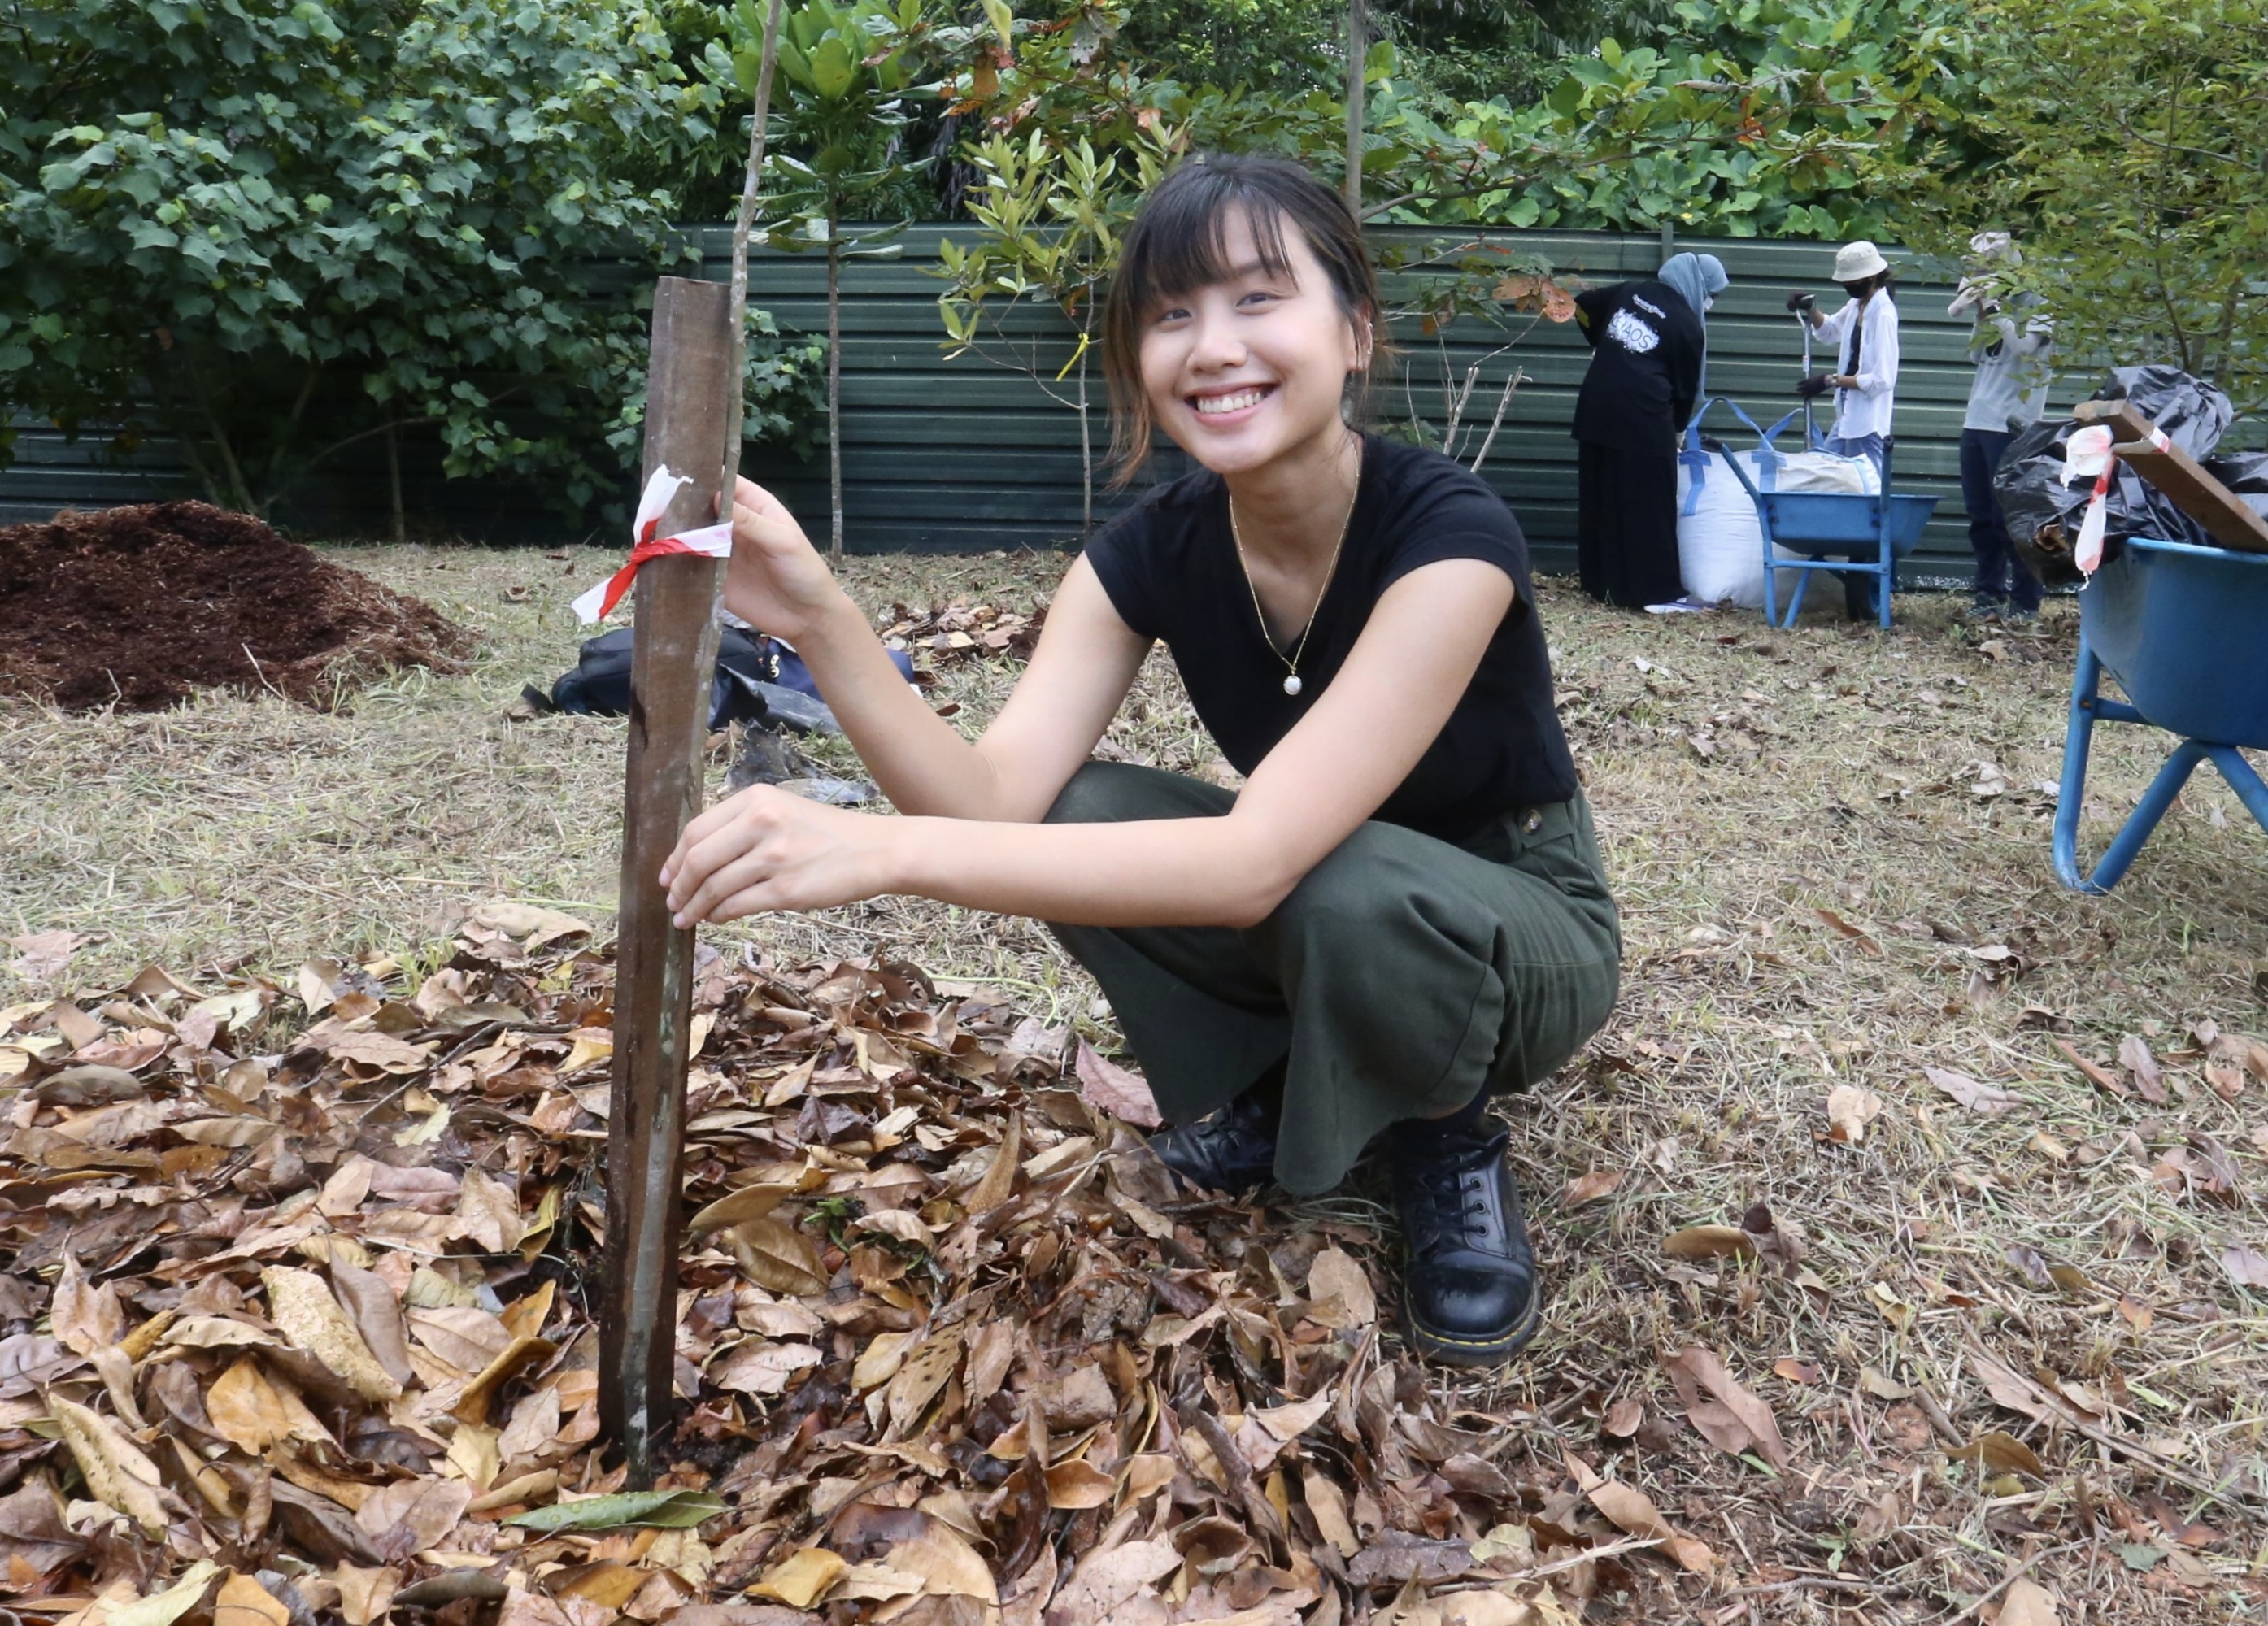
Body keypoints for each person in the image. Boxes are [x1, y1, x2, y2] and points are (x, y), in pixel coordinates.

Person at [660, 153, 1620, 1367]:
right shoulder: (1149, 551)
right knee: (1079, 810)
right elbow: (996, 804)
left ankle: (1444, 1132)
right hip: (1332, 891)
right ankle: (1285, 1086)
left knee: (1341, 877)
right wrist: (820, 620)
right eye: (1172, 313)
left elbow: (1255, 863)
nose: (1211, 347)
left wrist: (880, 851)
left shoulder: (1451, 536)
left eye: (1258, 298)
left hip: (1521, 920)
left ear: (1356, 331)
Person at [1569, 252, 1729, 612]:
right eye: (1712, 294)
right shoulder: (1689, 325)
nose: (1710, 303)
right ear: (1699, 286)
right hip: (1644, 416)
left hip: (1597, 407)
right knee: (1651, 504)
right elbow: (1685, 391)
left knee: (1602, 496)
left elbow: (1581, 305)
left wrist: (1606, 347)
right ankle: (1658, 592)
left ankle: (1601, 583)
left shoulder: (1632, 290)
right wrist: (1675, 433)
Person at [1790, 241, 1900, 619]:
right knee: (1826, 477)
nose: (1848, 288)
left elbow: (1883, 378)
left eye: (1853, 282)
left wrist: (1831, 380)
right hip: (1847, 418)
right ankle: (1843, 571)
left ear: (1871, 277)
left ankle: (1871, 587)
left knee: (1869, 503)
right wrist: (1811, 310)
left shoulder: (1883, 313)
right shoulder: (1857, 305)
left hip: (1869, 424)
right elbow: (1829, 331)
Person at [1948, 230, 2051, 621]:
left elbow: (2026, 350)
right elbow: (1976, 354)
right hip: (1977, 420)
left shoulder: (2039, 301)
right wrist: (1979, 310)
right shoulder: (1993, 304)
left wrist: (1997, 308)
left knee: (2011, 515)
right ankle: (1988, 594)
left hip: (2013, 423)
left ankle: (2025, 601)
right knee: (1981, 516)